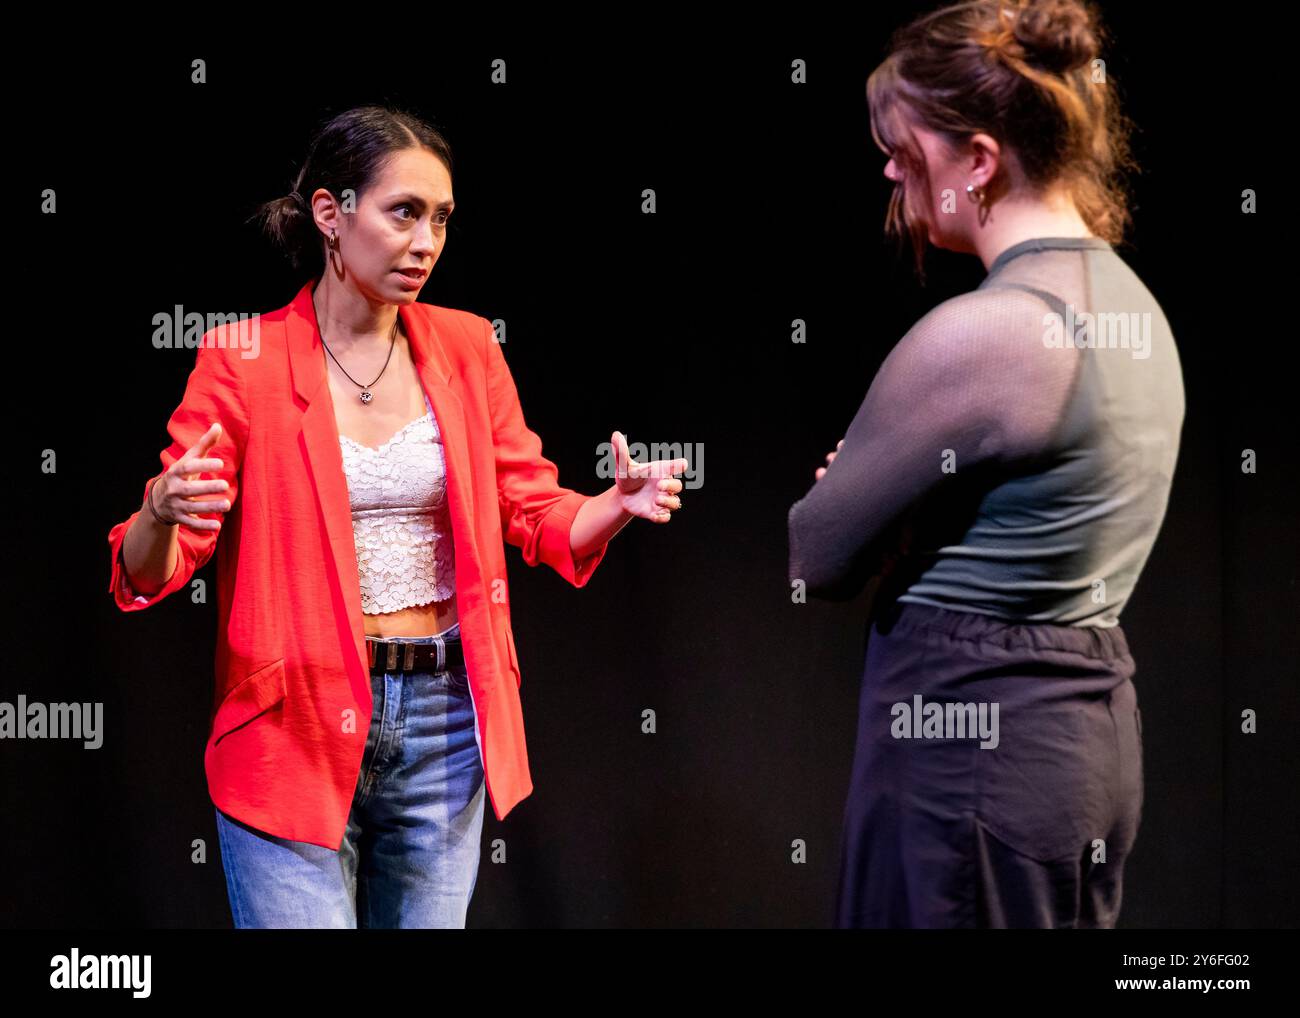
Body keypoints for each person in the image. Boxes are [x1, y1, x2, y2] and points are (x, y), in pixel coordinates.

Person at [106, 105, 688, 928]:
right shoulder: (243, 360)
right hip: (293, 723)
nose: (426, 241)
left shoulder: (467, 346)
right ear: (331, 216)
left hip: (444, 723)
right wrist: (159, 511)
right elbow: (150, 569)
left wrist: (613, 507)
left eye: (442, 219)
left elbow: (536, 515)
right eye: (404, 212)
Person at [787, 0, 1185, 927]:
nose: (888, 167)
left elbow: (817, 552)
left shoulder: (992, 332)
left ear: (978, 159)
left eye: (905, 147)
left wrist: (874, 498)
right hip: (1074, 745)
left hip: (970, 757)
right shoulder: (1135, 309)